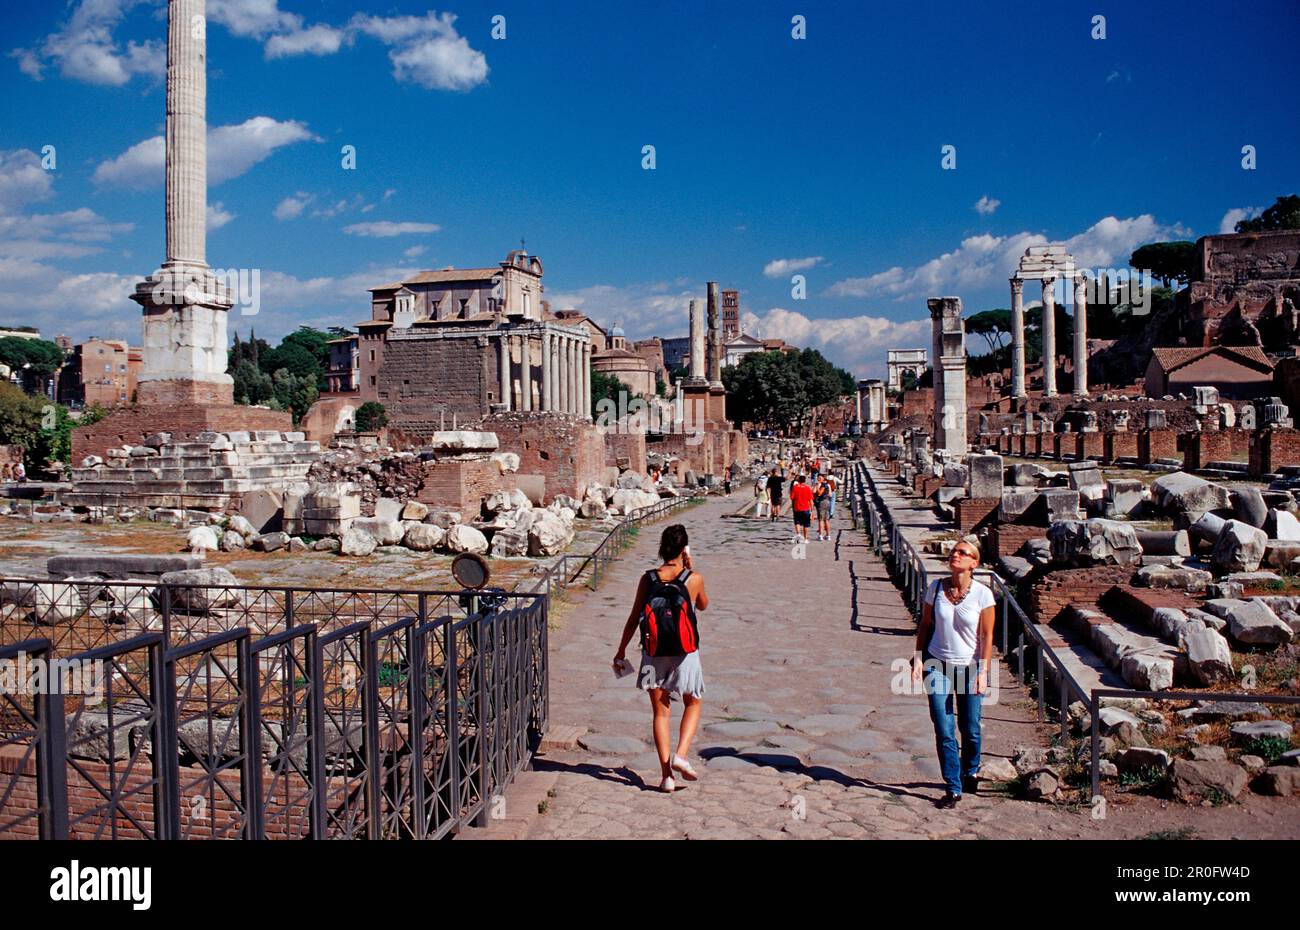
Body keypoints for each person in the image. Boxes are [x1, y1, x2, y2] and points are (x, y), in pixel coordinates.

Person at [613, 524, 708, 793]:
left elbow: (634, 618)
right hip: (685, 653)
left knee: (660, 712)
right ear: (684, 549)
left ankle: (666, 776)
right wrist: (691, 567)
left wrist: (621, 651)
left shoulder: (648, 578)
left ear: (662, 548)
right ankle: (682, 755)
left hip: (653, 653)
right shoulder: (694, 578)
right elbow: (703, 605)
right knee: (693, 701)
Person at [910, 539, 996, 809]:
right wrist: (917, 658)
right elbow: (925, 624)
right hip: (937, 664)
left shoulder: (983, 594)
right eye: (954, 551)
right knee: (944, 728)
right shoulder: (935, 587)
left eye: (963, 553)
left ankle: (970, 769)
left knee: (969, 728)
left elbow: (986, 635)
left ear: (974, 563)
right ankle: (953, 787)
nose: (955, 555)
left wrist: (983, 672)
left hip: (970, 667)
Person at [788, 474, 813, 543]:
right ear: (805, 481)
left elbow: (791, 497)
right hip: (805, 508)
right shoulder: (807, 488)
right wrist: (812, 510)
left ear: (798, 480)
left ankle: (799, 535)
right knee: (806, 524)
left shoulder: (795, 487)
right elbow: (810, 500)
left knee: (797, 522)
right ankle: (805, 539)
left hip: (797, 508)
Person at [813, 474, 832, 541]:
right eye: (818, 478)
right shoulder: (828, 485)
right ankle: (828, 535)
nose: (818, 479)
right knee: (826, 519)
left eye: (819, 478)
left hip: (821, 502)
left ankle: (820, 535)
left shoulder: (820, 485)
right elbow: (830, 494)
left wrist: (817, 486)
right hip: (827, 501)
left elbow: (817, 493)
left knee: (821, 520)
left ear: (823, 478)